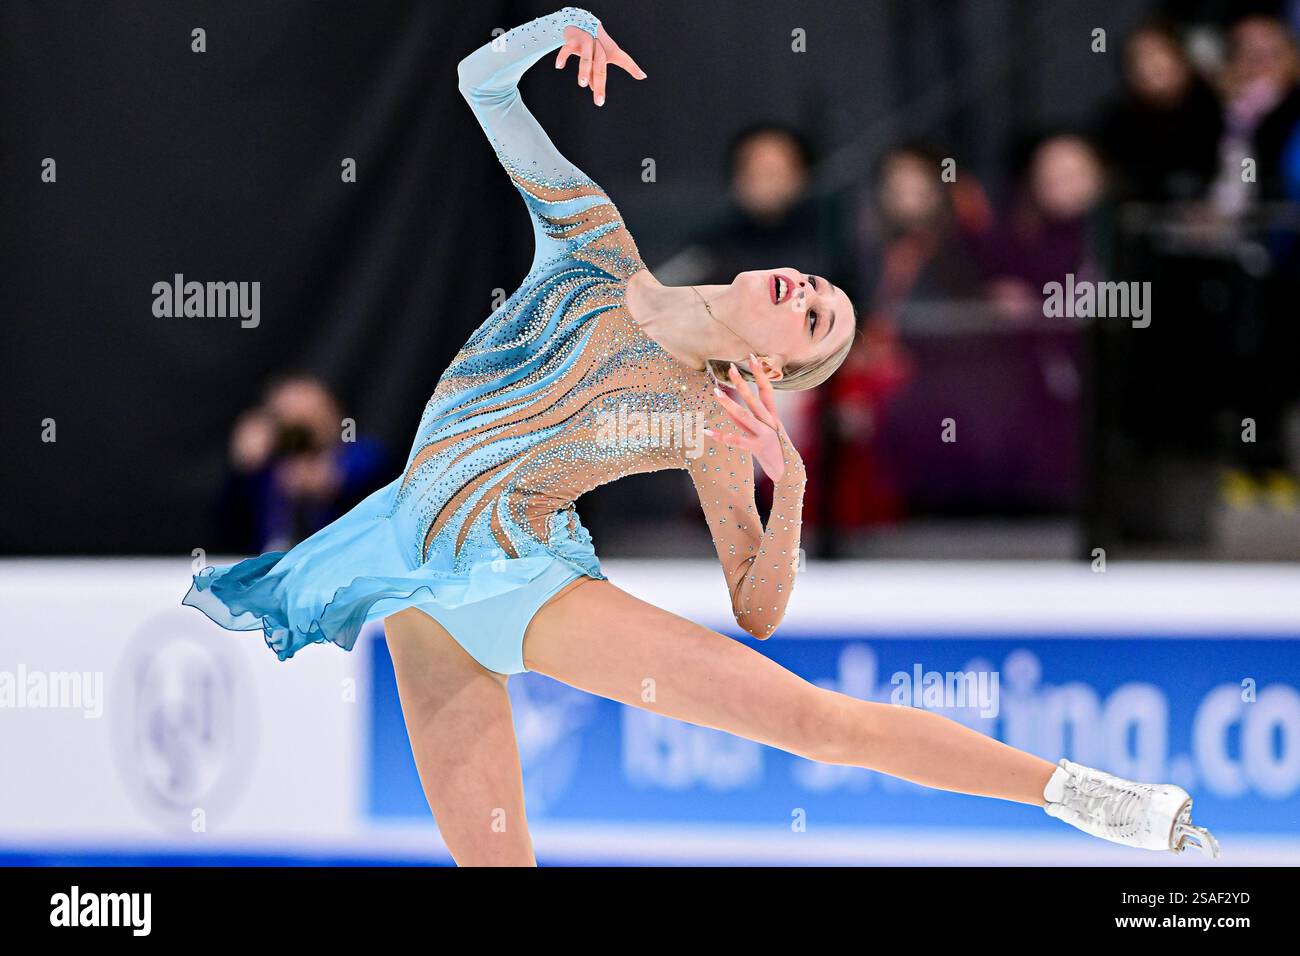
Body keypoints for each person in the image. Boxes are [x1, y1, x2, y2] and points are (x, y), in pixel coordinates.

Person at [183, 7, 1218, 865]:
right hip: (405, 570)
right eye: (820, 288)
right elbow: (479, 84)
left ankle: (1077, 792)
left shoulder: (708, 423)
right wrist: (558, 27)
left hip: (522, 581)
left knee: (815, 720)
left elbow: (756, 610)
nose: (808, 290)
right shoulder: (588, 241)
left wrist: (790, 486)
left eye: (815, 320)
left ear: (770, 368)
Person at [216, 373, 394, 554]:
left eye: (311, 412)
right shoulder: (262, 473)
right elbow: (225, 528)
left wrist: (332, 479)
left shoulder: (359, 455)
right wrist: (244, 466)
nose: (300, 423)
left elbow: (371, 476)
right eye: (287, 416)